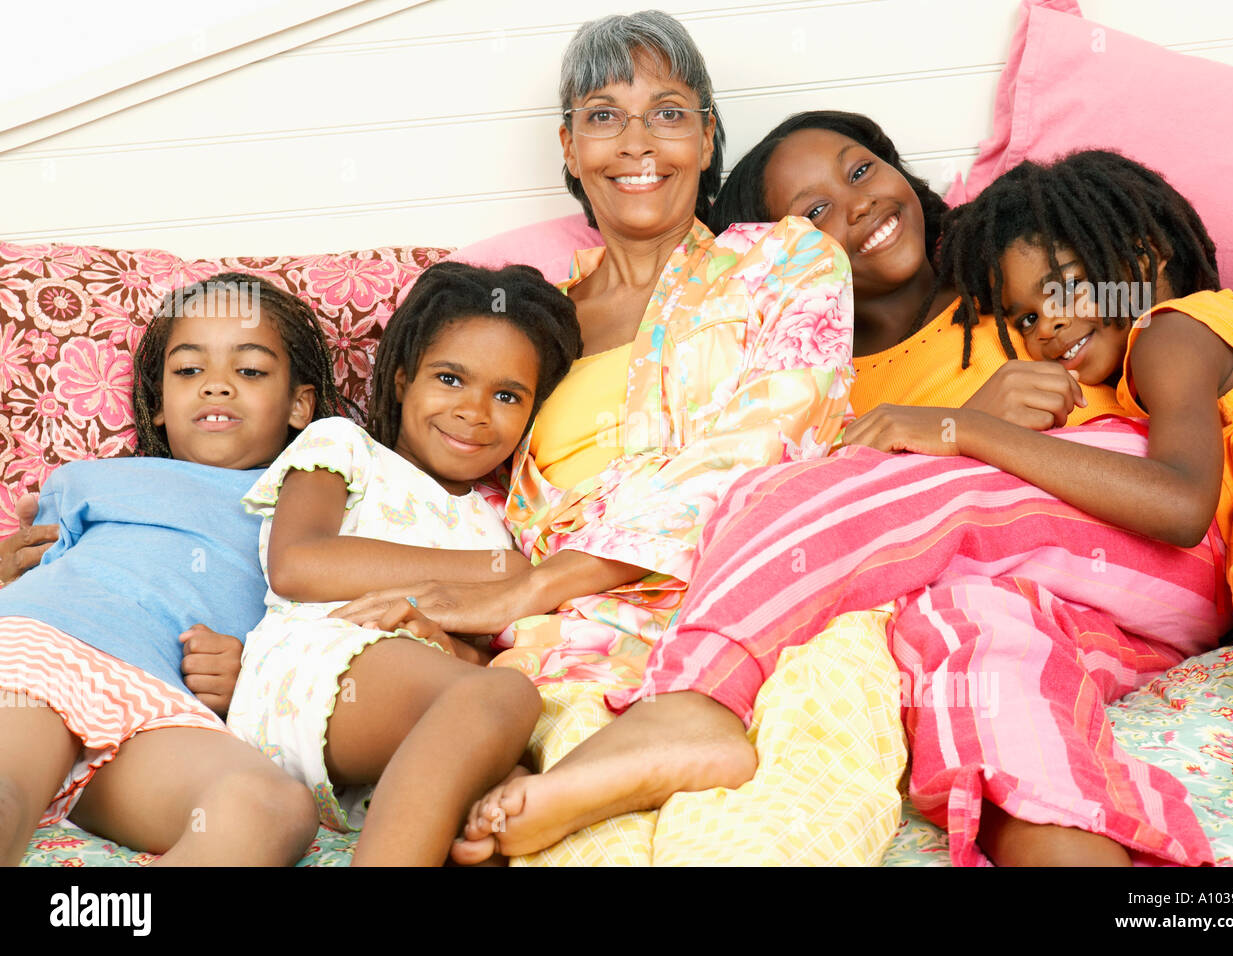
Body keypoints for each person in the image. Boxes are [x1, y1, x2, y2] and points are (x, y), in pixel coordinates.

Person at [455, 113, 1233, 866]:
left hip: (1130, 529)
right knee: (972, 662)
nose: (859, 202)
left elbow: (1185, 308)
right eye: (816, 210)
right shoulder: (822, 386)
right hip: (1040, 602)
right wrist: (947, 422)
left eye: (863, 169)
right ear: (782, 252)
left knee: (803, 494)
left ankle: (692, 703)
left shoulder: (1008, 272)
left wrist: (953, 431)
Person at [325, 17, 855, 865]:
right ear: (568, 147)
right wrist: (457, 612)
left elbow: (768, 440)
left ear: (709, 136)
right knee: (518, 822)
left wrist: (528, 588)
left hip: (744, 587)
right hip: (562, 637)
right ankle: (630, 756)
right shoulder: (532, 321)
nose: (637, 142)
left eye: (669, 113)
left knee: (769, 816)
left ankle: (682, 733)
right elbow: (473, 489)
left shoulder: (785, 262)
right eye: (604, 116)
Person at [868, 149, 1233, 828]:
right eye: (1027, 318)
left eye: (1065, 289)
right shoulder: (1227, 314)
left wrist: (967, 430)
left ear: (1146, 259)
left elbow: (1181, 503)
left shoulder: (1162, 338)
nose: (1049, 329)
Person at [225, 263, 579, 866]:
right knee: (509, 700)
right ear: (398, 380)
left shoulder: (500, 520)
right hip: (309, 674)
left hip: (404, 731)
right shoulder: (344, 445)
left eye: (506, 395)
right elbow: (298, 565)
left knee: (506, 804)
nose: (474, 410)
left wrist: (436, 623)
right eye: (449, 378)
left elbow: (476, 652)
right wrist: (494, 571)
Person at [0, 272, 345, 866]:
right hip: (48, 651)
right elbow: (33, 562)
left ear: (299, 405)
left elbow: (327, 639)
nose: (216, 386)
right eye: (189, 371)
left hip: (155, 709)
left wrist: (251, 672)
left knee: (272, 807)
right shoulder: (97, 479)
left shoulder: (318, 510)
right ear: (158, 406)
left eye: (250, 371)